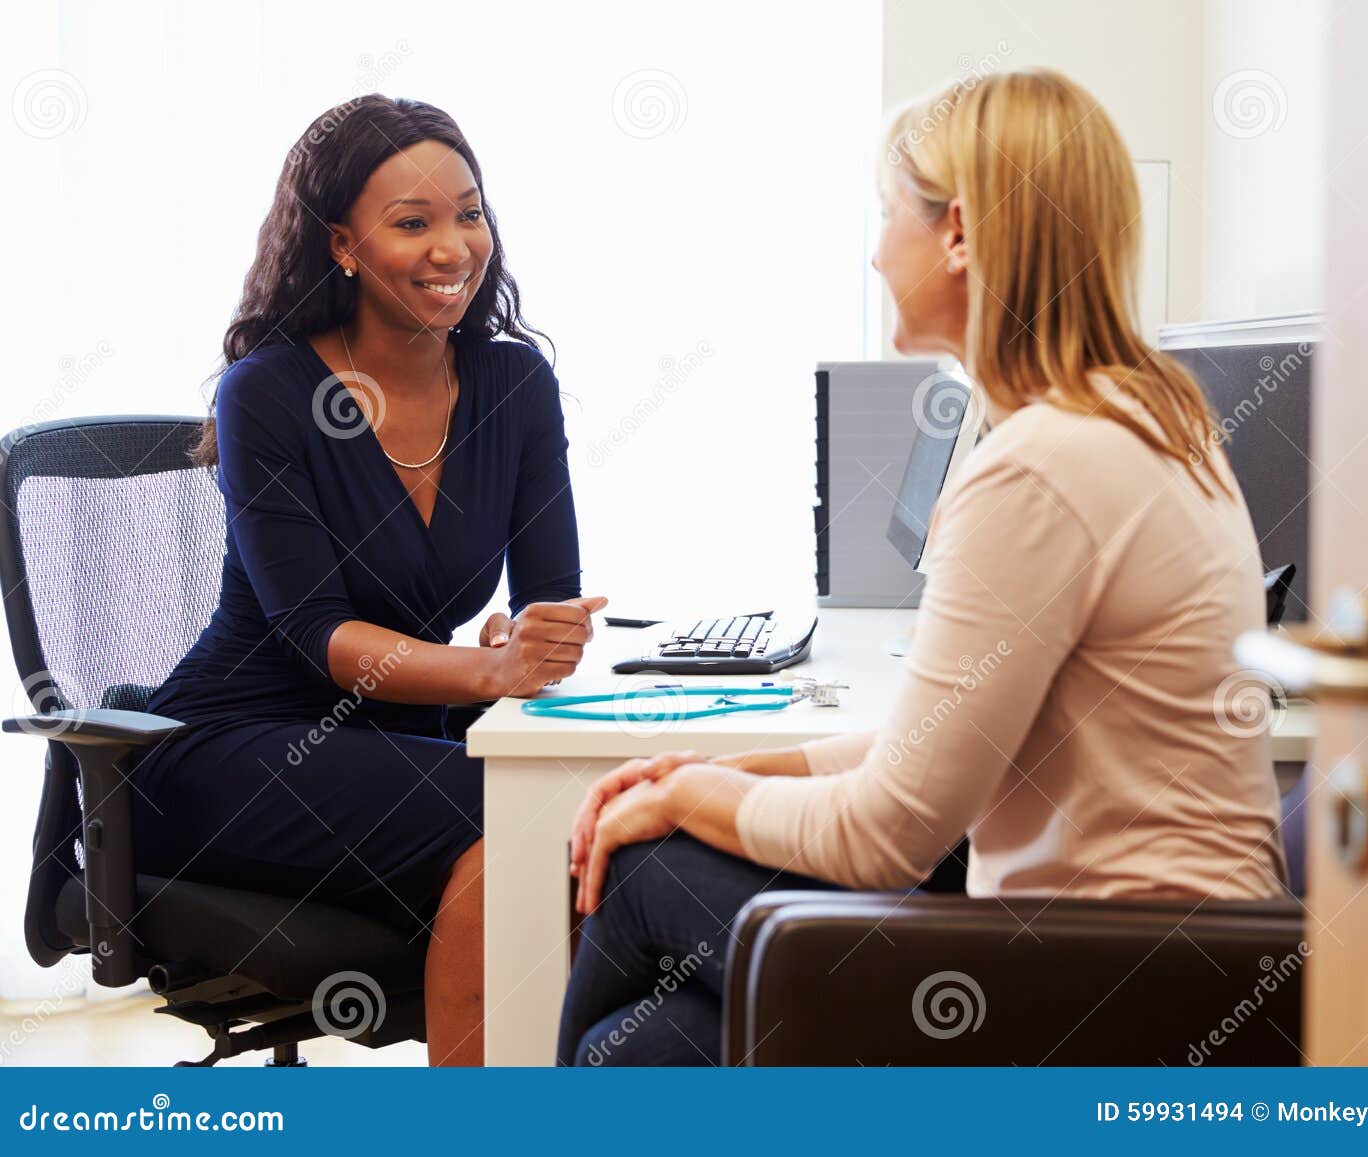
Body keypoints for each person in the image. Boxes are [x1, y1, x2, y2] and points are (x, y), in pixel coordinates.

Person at [556, 67, 1288, 1066]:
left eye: (885, 212)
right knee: (649, 1044)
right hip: (1176, 969)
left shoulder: (1043, 462)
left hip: (1109, 992)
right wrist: (714, 768)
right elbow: (924, 748)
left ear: (959, 232)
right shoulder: (1136, 422)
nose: (871, 251)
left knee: (644, 871)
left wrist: (686, 799)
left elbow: (887, 831)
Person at [130, 96, 605, 1067]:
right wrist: (487, 673)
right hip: (236, 744)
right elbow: (318, 633)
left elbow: (549, 597)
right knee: (524, 814)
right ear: (342, 243)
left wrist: (531, 641)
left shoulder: (514, 386)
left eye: (468, 213)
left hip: (394, 742)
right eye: (413, 222)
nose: (452, 247)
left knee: (587, 805)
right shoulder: (267, 391)